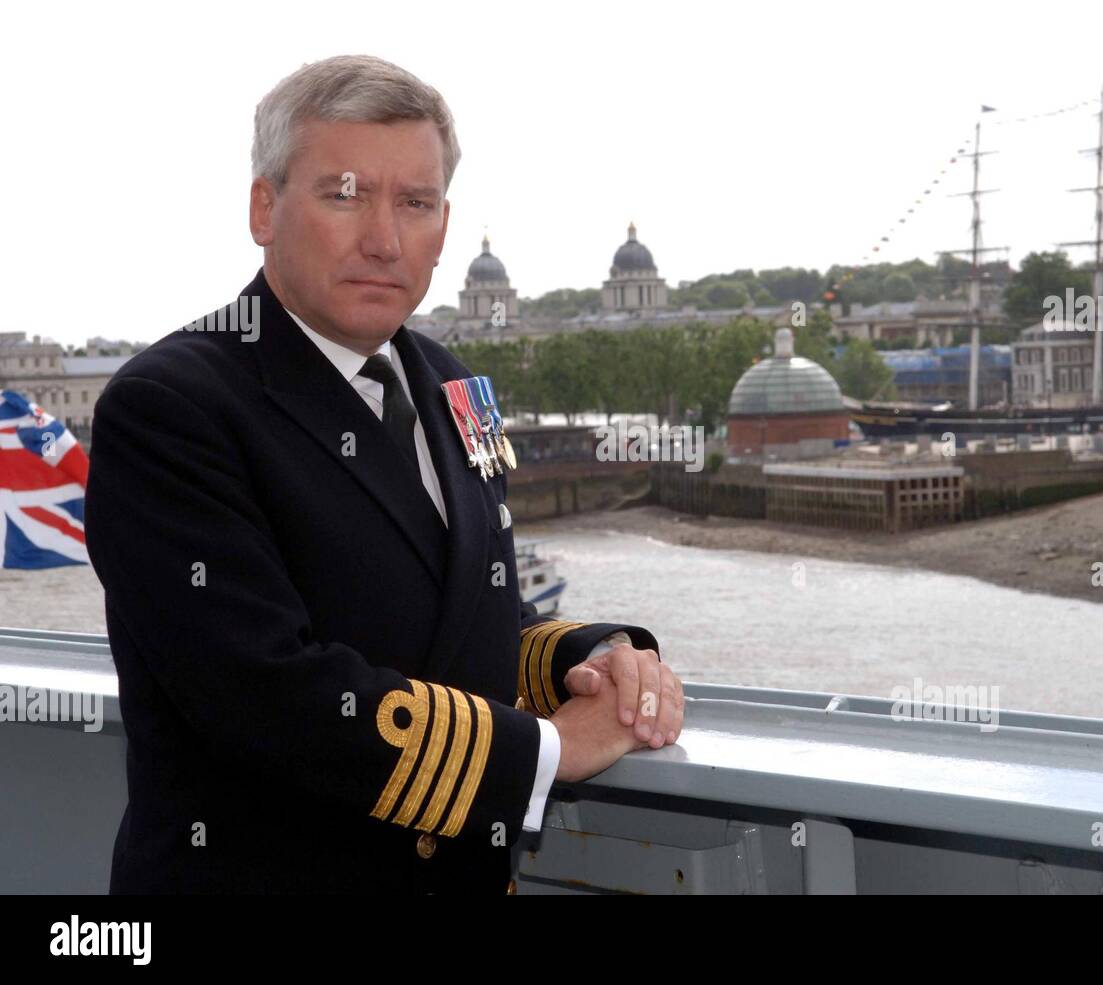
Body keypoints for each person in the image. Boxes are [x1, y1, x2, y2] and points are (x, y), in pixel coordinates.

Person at [83, 54, 683, 894]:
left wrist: (591, 660)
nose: (384, 240)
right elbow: (265, 695)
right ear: (264, 208)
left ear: (445, 221)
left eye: (415, 203)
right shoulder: (171, 406)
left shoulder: (451, 383)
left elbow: (457, 616)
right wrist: (550, 748)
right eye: (345, 194)